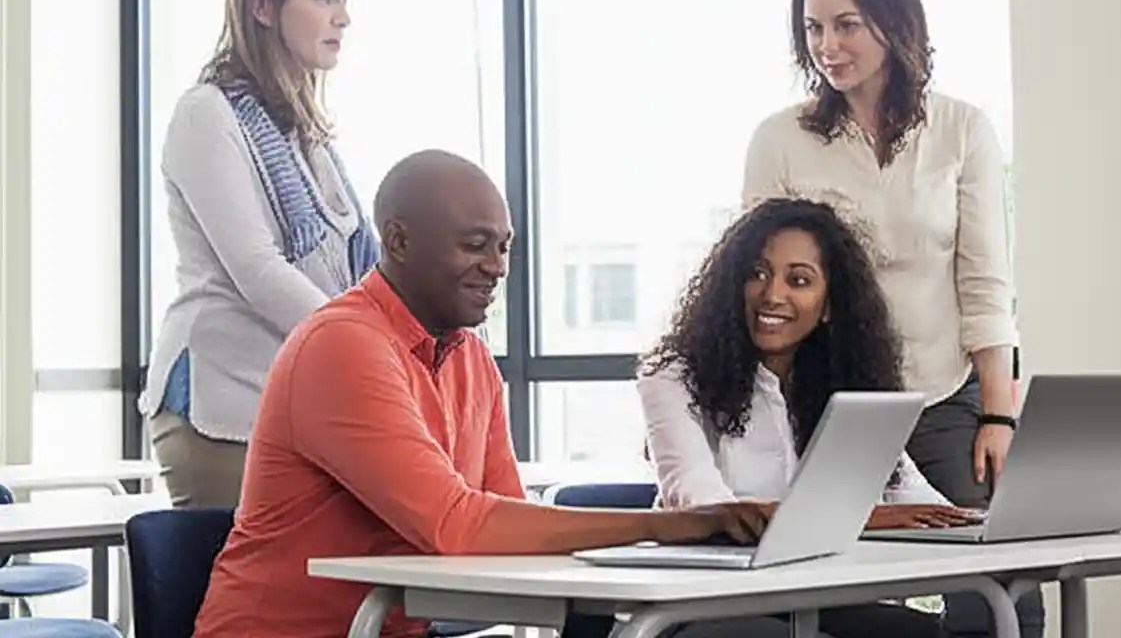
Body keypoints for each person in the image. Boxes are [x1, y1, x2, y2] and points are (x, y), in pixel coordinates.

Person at [192, 150, 775, 638]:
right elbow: (460, 526)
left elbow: (506, 532)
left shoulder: (469, 358)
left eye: (504, 247)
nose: (497, 267)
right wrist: (674, 524)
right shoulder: (342, 344)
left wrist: (671, 538)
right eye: (475, 245)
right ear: (397, 240)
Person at [740, 0, 1043, 637]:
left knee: (1004, 583)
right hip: (827, 399)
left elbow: (986, 281)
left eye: (846, 24)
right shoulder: (780, 139)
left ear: (894, 22)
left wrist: (998, 416)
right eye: (813, 28)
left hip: (944, 394)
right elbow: (757, 289)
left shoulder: (963, 129)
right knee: (834, 588)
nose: (827, 45)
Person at [640, 197, 980, 638]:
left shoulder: (848, 386)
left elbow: (914, 500)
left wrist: (989, 523)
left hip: (809, 598)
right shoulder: (673, 379)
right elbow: (708, 510)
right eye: (757, 274)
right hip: (698, 606)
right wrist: (867, 517)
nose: (773, 294)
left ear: (829, 306)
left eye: (798, 280)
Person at [140, 0, 379, 508]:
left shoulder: (308, 136)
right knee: (252, 597)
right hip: (222, 408)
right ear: (264, 6)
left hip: (290, 406)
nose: (342, 17)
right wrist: (371, 345)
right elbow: (258, 270)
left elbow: (353, 267)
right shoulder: (206, 114)